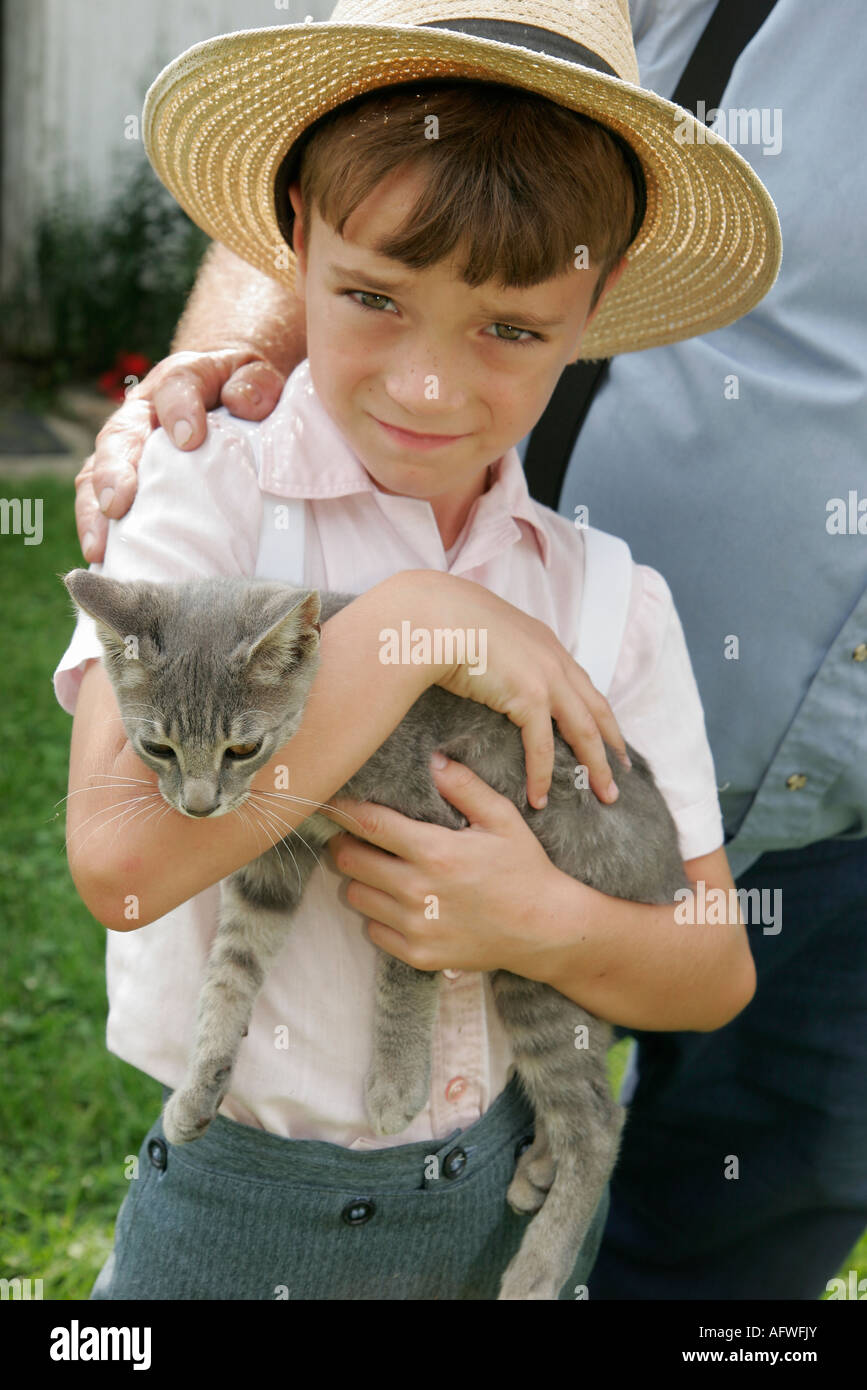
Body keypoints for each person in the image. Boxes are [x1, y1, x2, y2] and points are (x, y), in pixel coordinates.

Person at [55, 0, 778, 1300]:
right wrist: (407, 629)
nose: (430, 386)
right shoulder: (203, 497)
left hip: (503, 1212)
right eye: (374, 297)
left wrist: (539, 918)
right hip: (235, 1210)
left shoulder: (610, 597)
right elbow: (117, 868)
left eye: (511, 328)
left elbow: (714, 964)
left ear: (594, 301)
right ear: (293, 243)